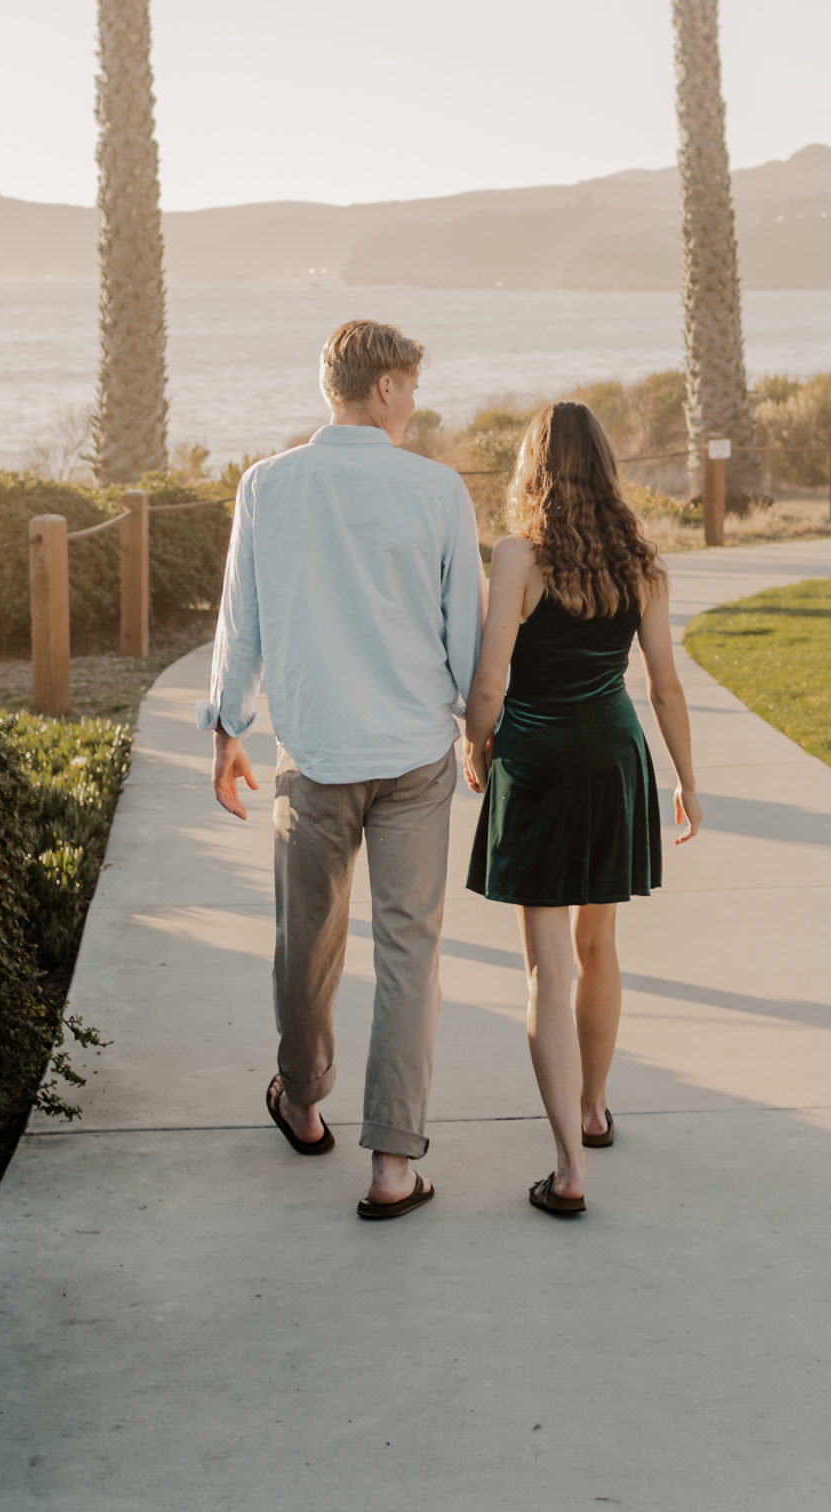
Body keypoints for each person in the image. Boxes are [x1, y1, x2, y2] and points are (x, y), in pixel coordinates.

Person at [201, 318, 483, 1222]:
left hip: (314, 754)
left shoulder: (267, 485)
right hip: (411, 756)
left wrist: (226, 727)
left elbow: (239, 617)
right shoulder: (438, 490)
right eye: (412, 384)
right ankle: (394, 1167)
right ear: (388, 388)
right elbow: (465, 631)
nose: (415, 400)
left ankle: (304, 1103)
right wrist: (478, 733)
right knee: (409, 952)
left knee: (308, 940)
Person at [463, 400, 701, 1218]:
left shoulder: (519, 556)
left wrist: (474, 741)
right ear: (604, 467)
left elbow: (490, 680)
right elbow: (665, 684)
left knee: (546, 966)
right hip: (613, 754)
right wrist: (686, 780)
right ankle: (594, 1110)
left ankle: (568, 1165)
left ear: (535, 466)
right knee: (598, 945)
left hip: (537, 761)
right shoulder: (642, 561)